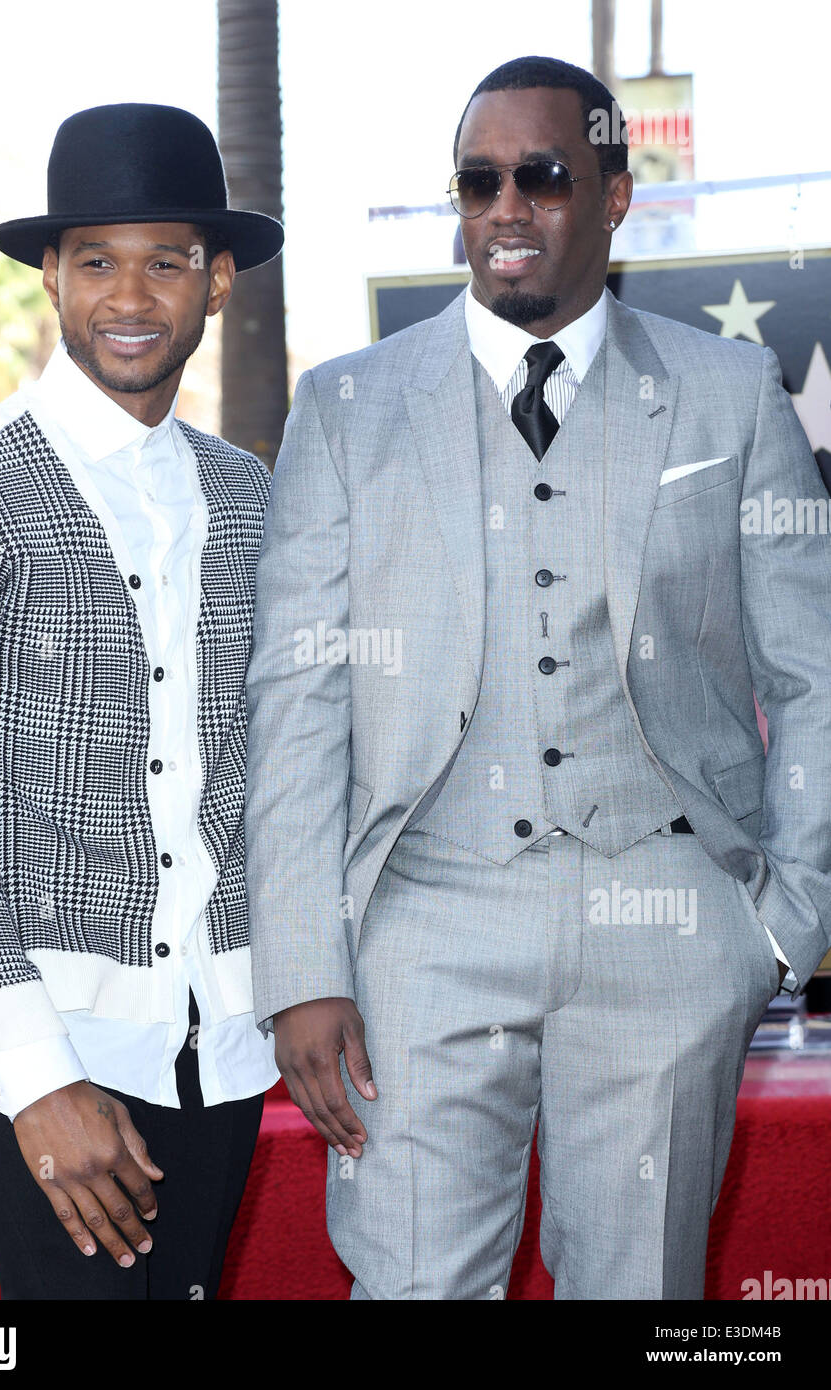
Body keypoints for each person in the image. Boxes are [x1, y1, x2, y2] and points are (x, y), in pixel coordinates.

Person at [244, 56, 831, 1300]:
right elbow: (298, 696)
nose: (506, 207)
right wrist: (303, 965)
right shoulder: (346, 408)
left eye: (544, 177)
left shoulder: (731, 394)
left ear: (615, 197)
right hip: (424, 924)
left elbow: (816, 671)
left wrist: (782, 928)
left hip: (671, 919)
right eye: (477, 182)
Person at [0, 103, 284, 1300]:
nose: (131, 297)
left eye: (166, 262)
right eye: (96, 260)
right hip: (57, 1048)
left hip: (222, 1043)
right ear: (50, 275)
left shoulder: (246, 493)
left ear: (216, 282)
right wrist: (36, 1074)